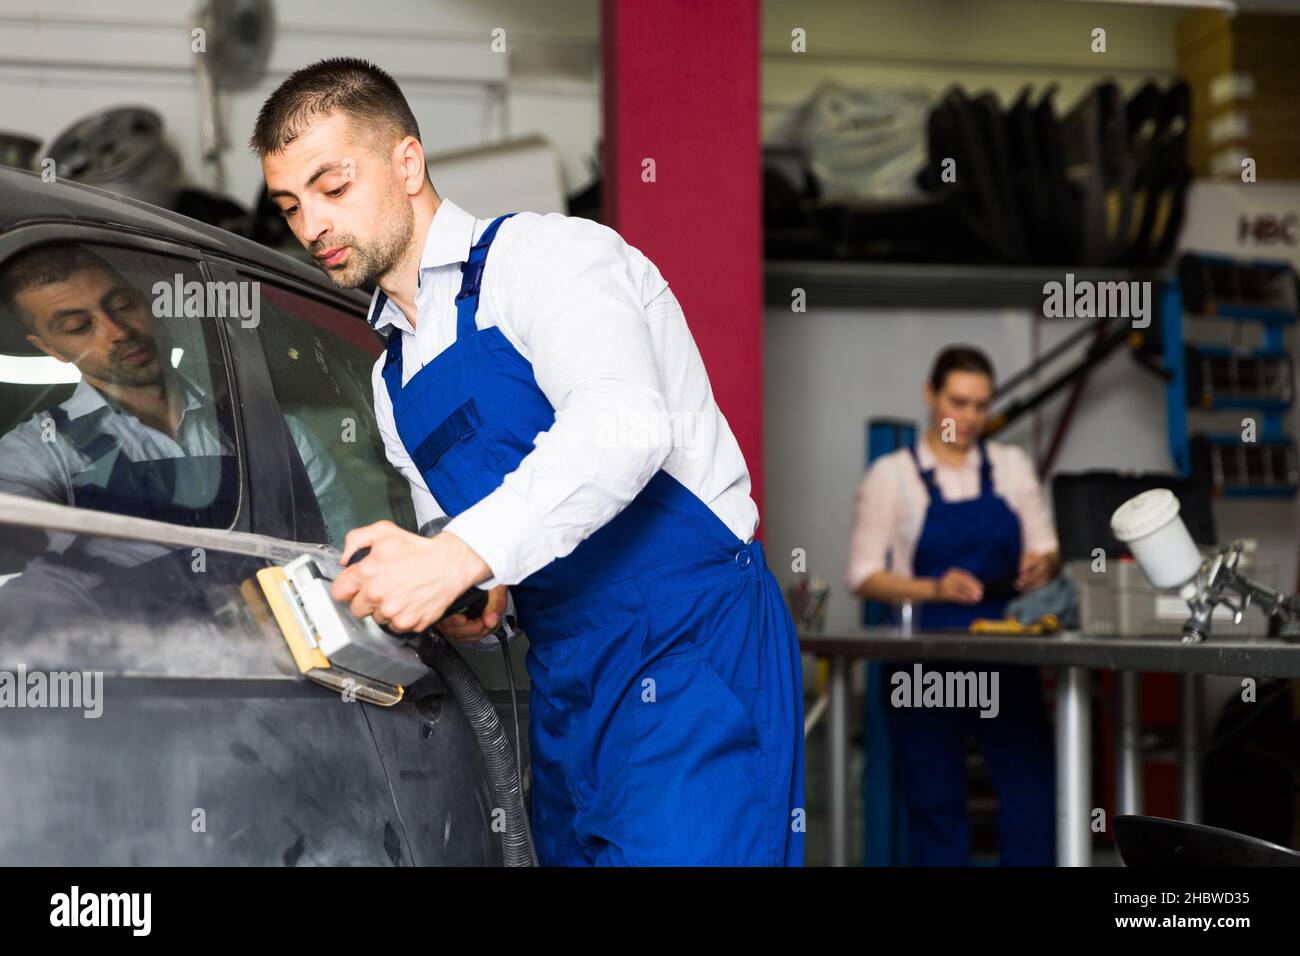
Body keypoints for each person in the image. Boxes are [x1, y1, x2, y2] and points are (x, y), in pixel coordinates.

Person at [251, 57, 804, 866]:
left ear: (408, 162)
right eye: (291, 206)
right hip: (567, 678)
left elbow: (623, 425)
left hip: (688, 652)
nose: (312, 226)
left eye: (332, 187)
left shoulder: (550, 259)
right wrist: (474, 597)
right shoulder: (391, 378)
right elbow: (476, 546)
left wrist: (453, 557)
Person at [846, 345, 1059, 866]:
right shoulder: (891, 476)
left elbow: (1047, 546)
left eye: (981, 407)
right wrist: (934, 589)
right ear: (930, 395)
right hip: (924, 663)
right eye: (958, 403)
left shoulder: (1011, 467)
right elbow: (863, 575)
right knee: (937, 808)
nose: (968, 419)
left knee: (1032, 801)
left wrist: (1042, 566)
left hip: (1007, 659)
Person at [0, 243, 353, 540]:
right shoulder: (37, 455)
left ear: (145, 303)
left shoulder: (277, 436)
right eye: (79, 327)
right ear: (52, 349)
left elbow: (338, 557)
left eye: (123, 306)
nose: (118, 330)